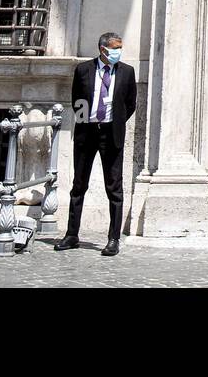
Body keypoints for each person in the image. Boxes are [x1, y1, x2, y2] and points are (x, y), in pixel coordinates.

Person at [54, 32, 136, 256]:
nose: (118, 52)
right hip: (87, 133)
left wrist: (114, 121)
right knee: (79, 185)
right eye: (115, 48)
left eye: (120, 48)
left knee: (114, 188)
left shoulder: (127, 72)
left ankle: (113, 239)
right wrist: (87, 122)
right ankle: (72, 235)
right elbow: (76, 99)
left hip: (112, 134)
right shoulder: (83, 70)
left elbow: (131, 104)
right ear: (103, 49)